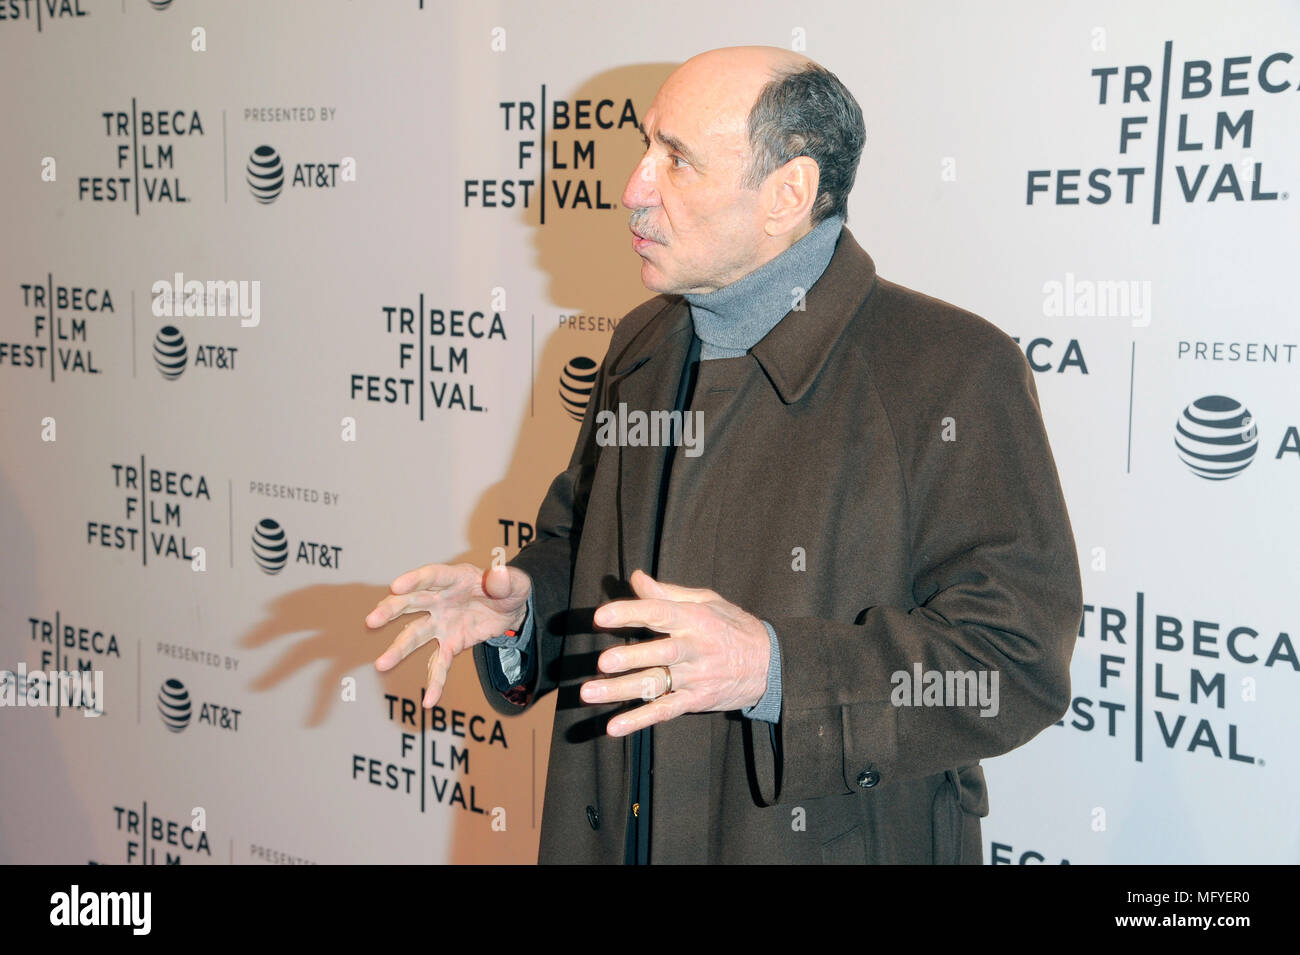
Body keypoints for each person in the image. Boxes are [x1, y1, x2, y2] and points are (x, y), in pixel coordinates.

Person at [365, 45, 1082, 864]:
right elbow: (585, 551)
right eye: (646, 149)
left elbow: (1012, 661)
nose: (633, 188)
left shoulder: (948, 370)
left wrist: (774, 670)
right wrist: (524, 605)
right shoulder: (640, 346)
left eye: (677, 161)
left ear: (787, 195)